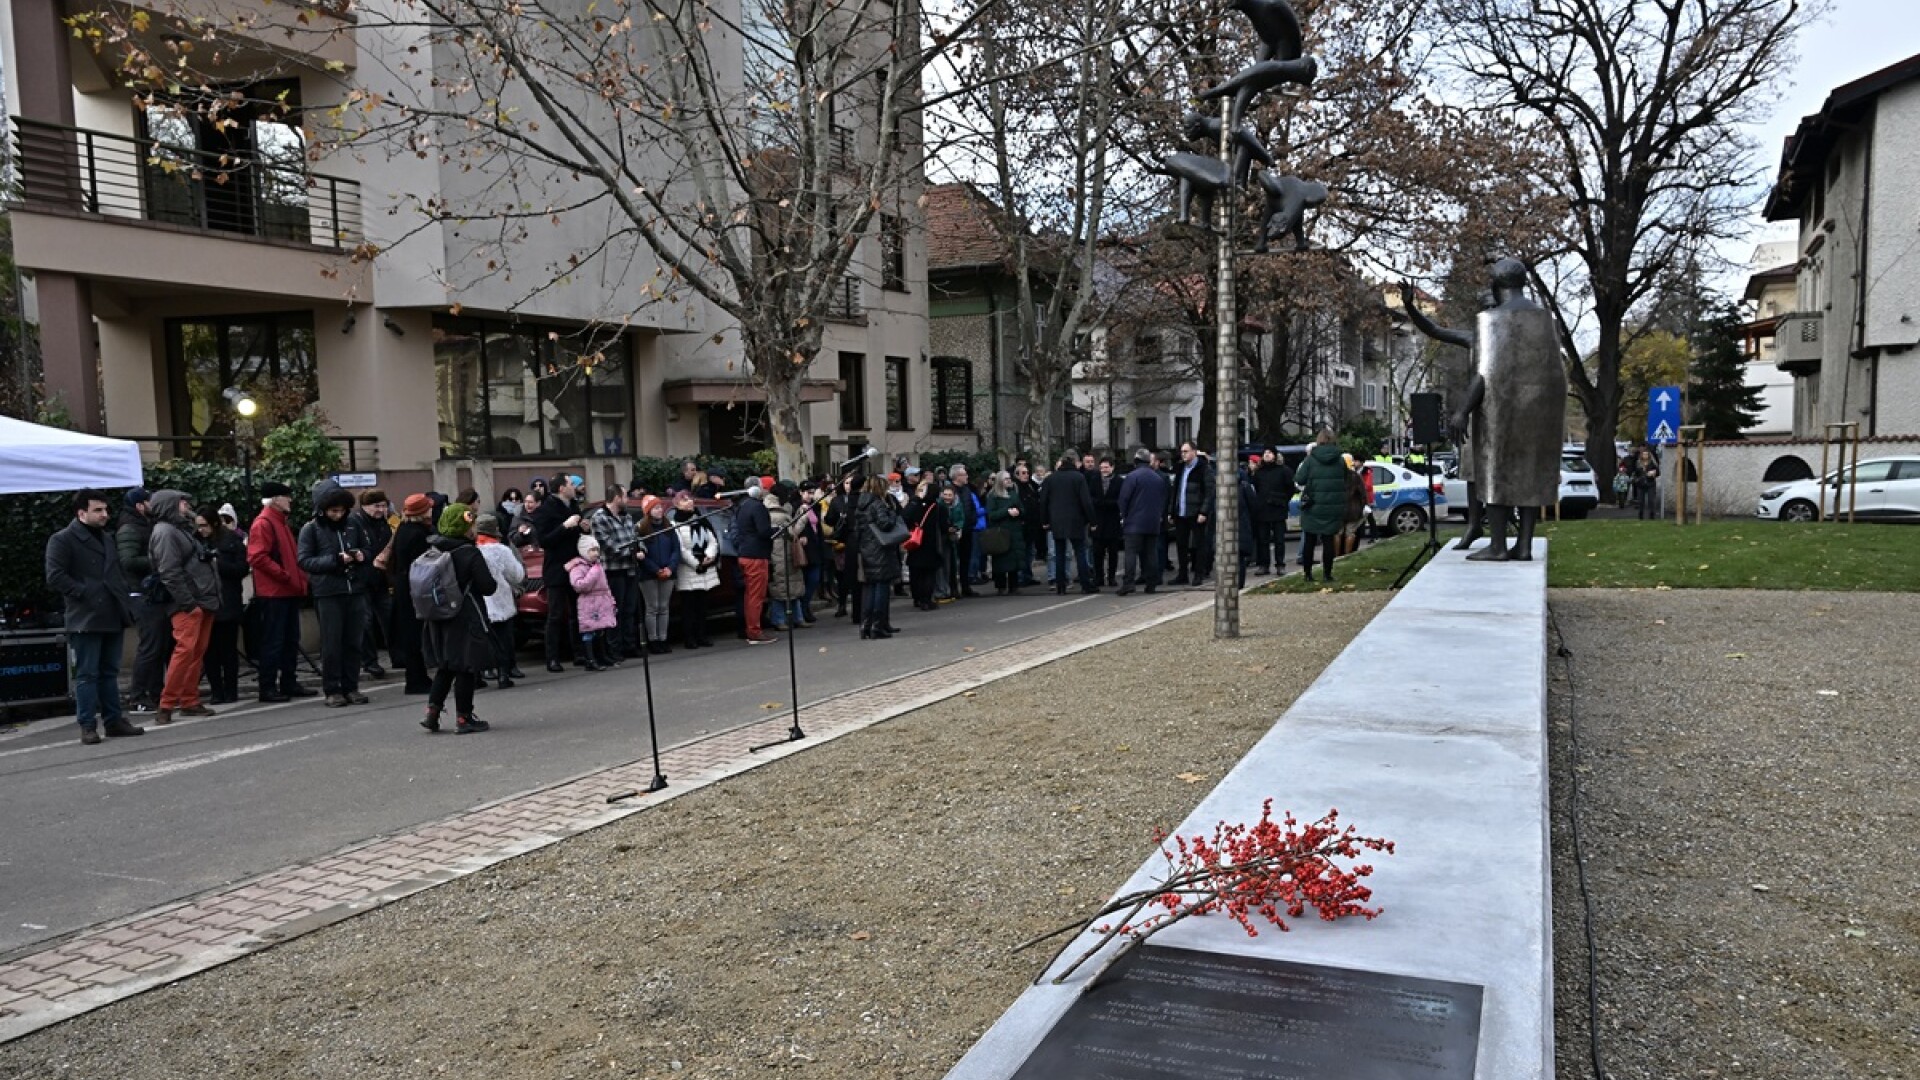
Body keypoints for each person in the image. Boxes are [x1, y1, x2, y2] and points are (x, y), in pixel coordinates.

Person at [46, 490, 144, 744]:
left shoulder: (107, 538)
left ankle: (113, 721)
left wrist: (125, 599)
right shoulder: (62, 539)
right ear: (81, 513)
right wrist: (85, 592)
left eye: (105, 509)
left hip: (112, 612)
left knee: (109, 672)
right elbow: (55, 575)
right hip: (86, 615)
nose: (104, 514)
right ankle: (88, 725)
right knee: (87, 674)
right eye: (98, 510)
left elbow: (116, 573)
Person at [417, 504, 499, 734]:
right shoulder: (469, 552)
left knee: (446, 665)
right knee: (465, 666)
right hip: (464, 615)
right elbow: (488, 586)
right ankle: (464, 718)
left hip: (437, 616)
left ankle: (432, 712)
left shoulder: (434, 549)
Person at [147, 488, 219, 725]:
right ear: (169, 505)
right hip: (189, 603)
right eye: (181, 502)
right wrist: (189, 604)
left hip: (198, 600)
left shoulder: (176, 529)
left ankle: (188, 700)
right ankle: (167, 704)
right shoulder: (166, 532)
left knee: (194, 652)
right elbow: (169, 572)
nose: (186, 505)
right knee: (186, 651)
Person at [297, 486, 372, 707]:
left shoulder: (354, 524)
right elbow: (305, 560)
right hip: (328, 592)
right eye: (333, 511)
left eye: (342, 510)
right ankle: (332, 689)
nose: (338, 515)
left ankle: (351, 686)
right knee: (332, 644)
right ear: (323, 510)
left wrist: (362, 555)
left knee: (354, 642)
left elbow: (368, 548)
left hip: (354, 589)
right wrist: (335, 560)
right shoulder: (310, 529)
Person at [245, 481, 313, 702]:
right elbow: (257, 557)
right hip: (275, 592)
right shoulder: (265, 523)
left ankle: (287, 682)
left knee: (289, 640)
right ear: (275, 499)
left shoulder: (277, 521)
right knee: (274, 641)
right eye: (286, 496)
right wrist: (285, 576)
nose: (290, 500)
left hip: (285, 590)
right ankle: (268, 687)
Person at [117, 487, 169, 714]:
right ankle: (138, 696)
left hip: (150, 593)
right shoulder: (129, 528)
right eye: (149, 501)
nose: (153, 505)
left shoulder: (144, 525)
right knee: (150, 646)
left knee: (158, 645)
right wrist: (157, 560)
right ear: (139, 506)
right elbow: (128, 561)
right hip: (141, 594)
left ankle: (155, 694)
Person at [532, 473, 588, 670]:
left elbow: (577, 535)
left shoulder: (573, 506)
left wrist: (584, 528)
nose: (575, 487)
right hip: (556, 568)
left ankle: (579, 653)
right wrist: (565, 526)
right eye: (571, 484)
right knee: (555, 615)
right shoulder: (545, 509)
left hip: (576, 565)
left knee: (577, 612)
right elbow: (544, 541)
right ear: (562, 488)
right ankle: (552, 658)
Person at [388, 494, 438, 693]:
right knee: (415, 636)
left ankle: (416, 677)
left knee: (411, 634)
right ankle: (416, 679)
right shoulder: (418, 534)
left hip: (403, 586)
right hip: (414, 588)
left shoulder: (403, 528)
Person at [199, 506, 249, 704]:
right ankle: (217, 691)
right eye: (199, 526)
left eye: (204, 525)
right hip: (208, 602)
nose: (201, 529)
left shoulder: (232, 541)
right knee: (210, 652)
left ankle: (230, 690)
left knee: (227, 650)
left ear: (214, 524)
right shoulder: (198, 541)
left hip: (227, 602)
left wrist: (217, 563)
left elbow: (241, 568)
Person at [472, 512, 525, 689]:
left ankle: (479, 675)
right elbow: (517, 575)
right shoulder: (501, 550)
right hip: (500, 601)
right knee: (503, 640)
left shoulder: (470, 549)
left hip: (478, 604)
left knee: (480, 641)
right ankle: (504, 674)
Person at [591, 486, 643, 658]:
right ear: (616, 497)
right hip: (613, 571)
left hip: (630, 569)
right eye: (625, 496)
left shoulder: (627, 516)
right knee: (615, 610)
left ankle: (629, 645)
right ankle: (615, 648)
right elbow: (608, 545)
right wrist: (632, 553)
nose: (628, 499)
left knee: (630, 609)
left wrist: (641, 549)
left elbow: (636, 537)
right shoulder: (599, 518)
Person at [1294, 429, 1349, 582]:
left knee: (1309, 541)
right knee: (1328, 540)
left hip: (1313, 505)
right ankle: (1327, 574)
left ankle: (1308, 574)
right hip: (1333, 506)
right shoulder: (1340, 460)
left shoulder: (1311, 459)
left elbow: (1299, 478)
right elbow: (1345, 478)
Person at [1039, 452, 1097, 595]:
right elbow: (1086, 501)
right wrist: (1092, 520)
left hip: (1057, 520)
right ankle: (1085, 584)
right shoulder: (1078, 477)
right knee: (1080, 552)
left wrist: (1044, 520)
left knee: (1059, 552)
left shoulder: (1051, 479)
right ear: (1075, 462)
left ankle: (1060, 585)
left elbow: (1043, 501)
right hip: (1076, 520)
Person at [855, 475, 904, 638]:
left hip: (867, 548)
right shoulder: (877, 503)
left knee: (870, 588)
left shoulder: (861, 504)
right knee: (881, 587)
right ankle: (877, 625)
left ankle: (866, 625)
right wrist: (892, 514)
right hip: (880, 549)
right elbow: (885, 524)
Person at [671, 490, 720, 648]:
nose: (690, 502)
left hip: (705, 569)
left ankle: (702, 635)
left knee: (702, 606)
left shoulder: (701, 520)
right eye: (685, 500)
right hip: (688, 571)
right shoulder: (675, 524)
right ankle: (690, 638)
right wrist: (696, 564)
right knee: (688, 607)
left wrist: (709, 556)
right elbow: (681, 549)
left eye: (690, 499)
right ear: (677, 504)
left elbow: (713, 540)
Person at [1116, 449, 1169, 595]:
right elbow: (1162, 500)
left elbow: (1124, 499)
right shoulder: (1158, 478)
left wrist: (1124, 515)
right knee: (1151, 553)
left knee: (1131, 553)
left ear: (1136, 461)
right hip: (1153, 522)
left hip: (1134, 522)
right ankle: (1151, 583)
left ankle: (1129, 583)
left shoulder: (1132, 477)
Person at [733, 476, 777, 644]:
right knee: (756, 596)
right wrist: (777, 529)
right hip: (756, 555)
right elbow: (764, 531)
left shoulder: (742, 506)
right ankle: (754, 631)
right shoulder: (758, 507)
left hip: (745, 554)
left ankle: (750, 628)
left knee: (749, 595)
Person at [634, 496, 681, 652]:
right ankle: (653, 639)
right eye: (655, 508)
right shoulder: (641, 528)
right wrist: (656, 570)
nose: (659, 510)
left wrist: (670, 568)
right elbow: (641, 553)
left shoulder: (668, 527)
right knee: (652, 607)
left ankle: (663, 638)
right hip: (648, 574)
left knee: (663, 607)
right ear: (648, 511)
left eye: (660, 507)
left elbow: (676, 549)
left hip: (668, 571)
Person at [356, 490, 394, 679]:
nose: (380, 509)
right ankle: (369, 662)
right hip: (363, 580)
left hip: (380, 580)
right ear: (364, 506)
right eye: (376, 506)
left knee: (389, 618)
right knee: (366, 622)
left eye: (383, 505)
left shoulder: (384, 524)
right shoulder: (356, 523)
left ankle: (397, 656)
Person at [567, 535, 620, 670]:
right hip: (589, 602)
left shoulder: (597, 565)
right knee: (589, 630)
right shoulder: (578, 567)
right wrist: (593, 573)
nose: (596, 553)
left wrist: (611, 601)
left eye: (597, 550)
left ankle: (602, 656)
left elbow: (605, 586)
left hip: (602, 600)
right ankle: (590, 659)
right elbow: (579, 585)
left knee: (601, 629)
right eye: (592, 550)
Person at [1170, 441, 1214, 586]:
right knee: (1181, 544)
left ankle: (1199, 573)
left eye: (1186, 451)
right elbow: (1175, 491)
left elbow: (1209, 492)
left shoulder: (1203, 468)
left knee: (1199, 544)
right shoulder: (1181, 468)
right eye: (1182, 451)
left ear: (1194, 452)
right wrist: (1172, 511)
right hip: (1181, 512)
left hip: (1196, 512)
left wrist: (1204, 511)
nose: (1183, 454)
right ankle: (1182, 574)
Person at [766, 483, 807, 631]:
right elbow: (792, 532)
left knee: (782, 587)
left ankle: (787, 619)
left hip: (778, 553)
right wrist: (803, 518)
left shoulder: (769, 510)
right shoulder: (779, 514)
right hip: (782, 552)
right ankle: (787, 619)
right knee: (785, 588)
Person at [904, 475, 948, 611]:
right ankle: (927, 599)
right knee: (929, 574)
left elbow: (905, 518)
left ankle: (917, 598)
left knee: (916, 573)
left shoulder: (915, 505)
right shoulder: (939, 508)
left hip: (916, 542)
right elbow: (944, 527)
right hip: (932, 544)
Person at [984, 470, 1030, 595]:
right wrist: (1007, 511)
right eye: (1006, 479)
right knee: (1001, 560)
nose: (1009, 481)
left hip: (1015, 530)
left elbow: (1022, 509)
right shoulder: (993, 496)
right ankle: (1000, 586)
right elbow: (991, 515)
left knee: (1014, 559)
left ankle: (1014, 585)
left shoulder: (1013, 494)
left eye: (1009, 478)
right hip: (1000, 532)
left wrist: (1018, 512)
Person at [1251, 448, 1293, 573]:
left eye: (1269, 453)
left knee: (1279, 539)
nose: (1267, 455)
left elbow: (1290, 488)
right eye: (1265, 453)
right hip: (1262, 509)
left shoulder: (1284, 470)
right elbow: (1256, 488)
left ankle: (1280, 564)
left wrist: (1283, 500)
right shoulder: (1259, 472)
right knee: (1263, 539)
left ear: (1275, 455)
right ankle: (1264, 565)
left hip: (1278, 508)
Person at [948, 465, 985, 596]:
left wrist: (972, 521)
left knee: (966, 559)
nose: (967, 477)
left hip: (968, 529)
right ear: (957, 476)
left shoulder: (966, 490)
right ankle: (953, 588)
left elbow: (972, 507)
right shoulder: (950, 490)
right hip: (955, 530)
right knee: (953, 561)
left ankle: (965, 586)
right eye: (964, 474)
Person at [1091, 457, 1124, 587]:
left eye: (1106, 467)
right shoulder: (1094, 480)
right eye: (1101, 468)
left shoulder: (1119, 481)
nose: (1104, 470)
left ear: (1112, 467)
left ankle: (1111, 577)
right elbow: (1090, 498)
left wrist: (1107, 503)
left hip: (1113, 521)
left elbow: (1120, 500)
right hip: (1098, 521)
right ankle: (1098, 577)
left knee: (1113, 553)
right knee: (1097, 552)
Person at [1633, 449, 1661, 520]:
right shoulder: (1638, 463)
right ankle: (1640, 515)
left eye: (1646, 454)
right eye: (1644, 454)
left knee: (1651, 500)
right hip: (1641, 484)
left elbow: (1658, 472)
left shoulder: (1652, 463)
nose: (1645, 456)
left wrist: (1653, 473)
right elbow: (1635, 473)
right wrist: (1636, 479)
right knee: (1641, 501)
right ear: (1641, 455)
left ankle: (1652, 515)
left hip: (1650, 483)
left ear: (1649, 455)